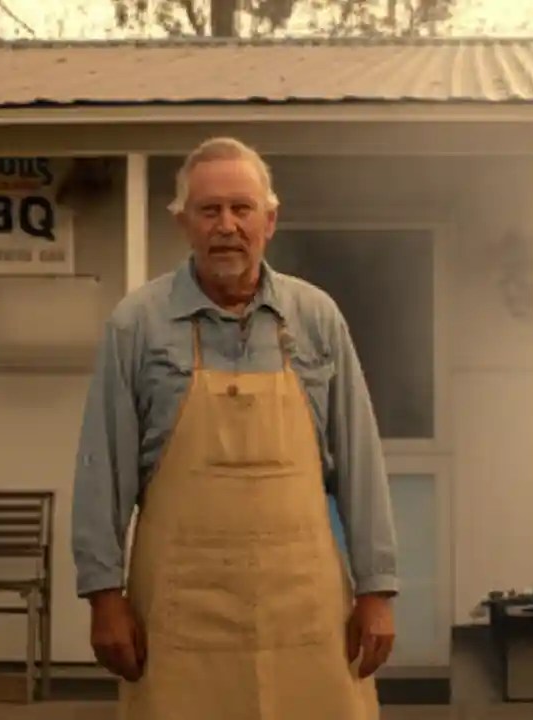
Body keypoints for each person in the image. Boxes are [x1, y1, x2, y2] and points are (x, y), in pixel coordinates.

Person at [70, 136, 399, 719]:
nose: (227, 225)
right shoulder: (136, 326)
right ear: (184, 224)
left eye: (241, 209)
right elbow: (103, 468)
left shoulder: (315, 318)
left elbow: (360, 460)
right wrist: (104, 596)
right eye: (209, 209)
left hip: (305, 607)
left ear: (269, 221)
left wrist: (376, 591)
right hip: (179, 613)